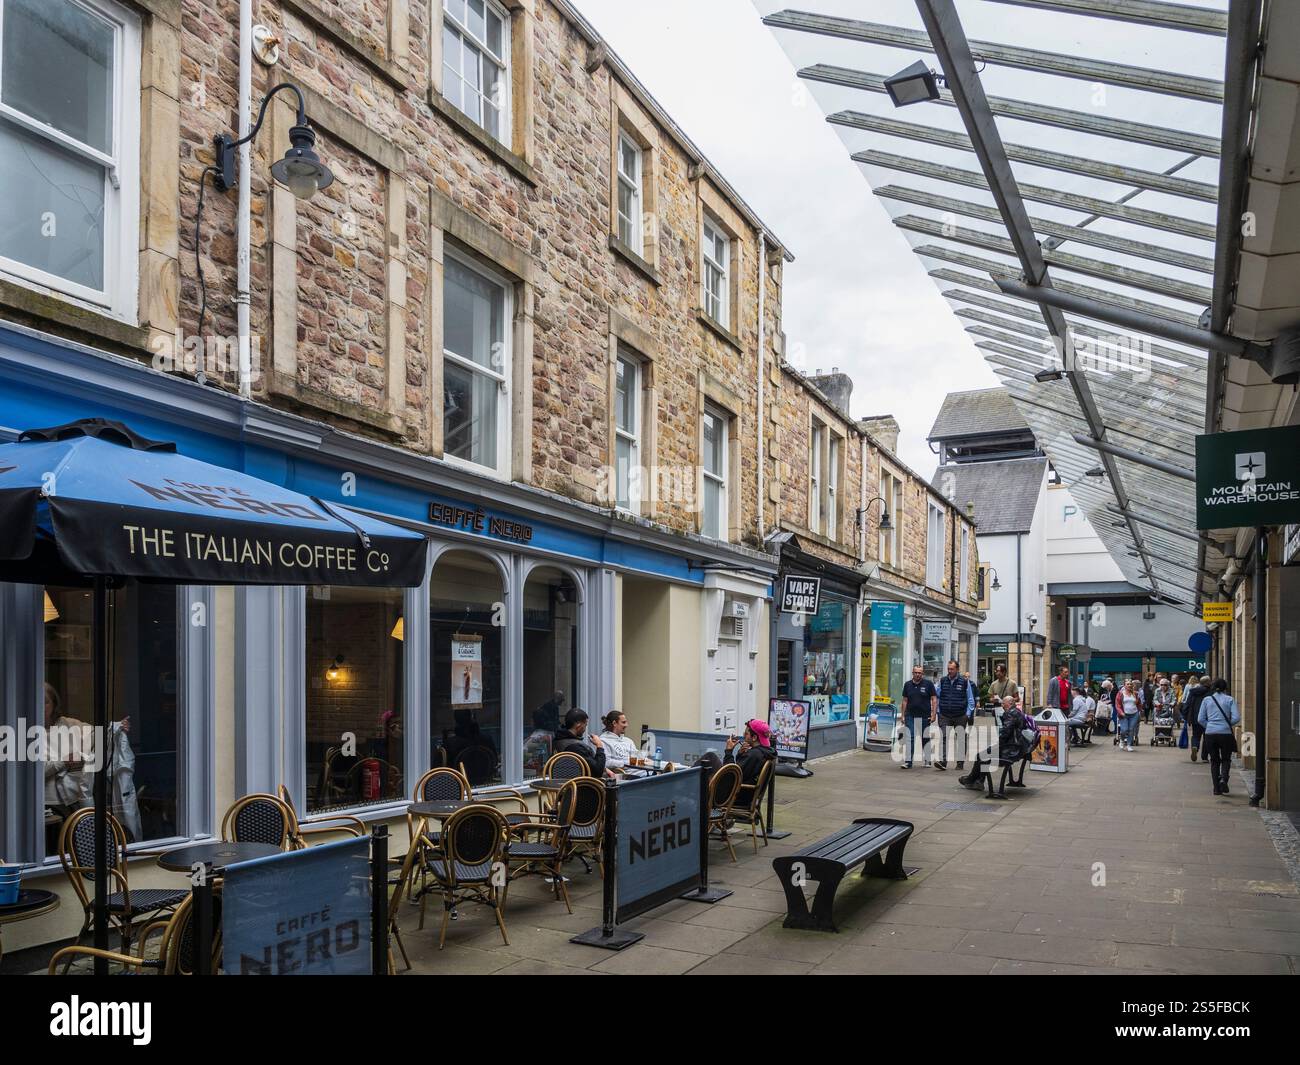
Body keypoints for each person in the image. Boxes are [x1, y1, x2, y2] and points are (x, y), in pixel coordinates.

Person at [1198, 679, 1240, 795]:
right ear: (1225, 688)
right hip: (1225, 733)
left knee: (1214, 761)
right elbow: (1236, 718)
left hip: (1210, 734)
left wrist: (1210, 726)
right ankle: (1224, 778)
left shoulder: (1207, 700)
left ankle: (1216, 789)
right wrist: (1226, 724)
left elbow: (1200, 719)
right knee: (1226, 758)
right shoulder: (1230, 699)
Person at [553, 708, 612, 778]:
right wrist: (599, 746)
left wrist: (605, 769)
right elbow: (597, 772)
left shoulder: (559, 740)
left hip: (564, 784)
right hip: (582, 785)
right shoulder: (575, 747)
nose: (585, 729)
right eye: (585, 725)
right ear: (578, 725)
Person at [934, 660, 971, 771]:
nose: (949, 671)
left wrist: (967, 714)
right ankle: (943, 762)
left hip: (960, 715)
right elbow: (937, 695)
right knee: (944, 737)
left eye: (952, 669)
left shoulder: (964, 682)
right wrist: (938, 711)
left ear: (957, 669)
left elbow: (970, 699)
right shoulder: (943, 680)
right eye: (948, 669)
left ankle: (960, 763)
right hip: (945, 715)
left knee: (960, 738)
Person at [724, 719, 777, 795]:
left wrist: (728, 751)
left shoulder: (753, 755)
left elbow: (730, 775)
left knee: (711, 758)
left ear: (754, 737)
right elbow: (743, 770)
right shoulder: (765, 752)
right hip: (746, 794)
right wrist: (740, 754)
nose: (743, 736)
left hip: (735, 796)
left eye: (746, 734)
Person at [899, 664, 937, 769]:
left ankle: (927, 760)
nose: (917, 674)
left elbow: (934, 699)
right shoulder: (907, 685)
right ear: (912, 673)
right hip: (910, 715)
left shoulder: (928, 684)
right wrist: (902, 715)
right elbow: (904, 700)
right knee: (910, 738)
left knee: (925, 738)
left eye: (919, 673)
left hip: (925, 716)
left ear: (922, 674)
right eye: (915, 672)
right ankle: (908, 762)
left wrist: (933, 714)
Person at [1182, 675, 1209, 760]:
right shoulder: (1210, 692)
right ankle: (1204, 757)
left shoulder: (1193, 692)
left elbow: (1187, 704)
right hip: (1207, 718)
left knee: (1196, 735)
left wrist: (1185, 716)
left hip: (1195, 717)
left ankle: (1195, 746)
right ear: (1208, 683)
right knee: (1206, 737)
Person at [1116, 680, 1141, 752]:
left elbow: (1139, 703)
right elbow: (1117, 705)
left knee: (1131, 730)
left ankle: (1129, 745)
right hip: (1124, 714)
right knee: (1124, 729)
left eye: (1130, 684)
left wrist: (1139, 711)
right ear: (1124, 685)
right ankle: (1122, 740)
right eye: (1128, 684)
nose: (1129, 685)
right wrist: (1121, 713)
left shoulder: (1135, 694)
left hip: (1134, 714)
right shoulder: (1120, 694)